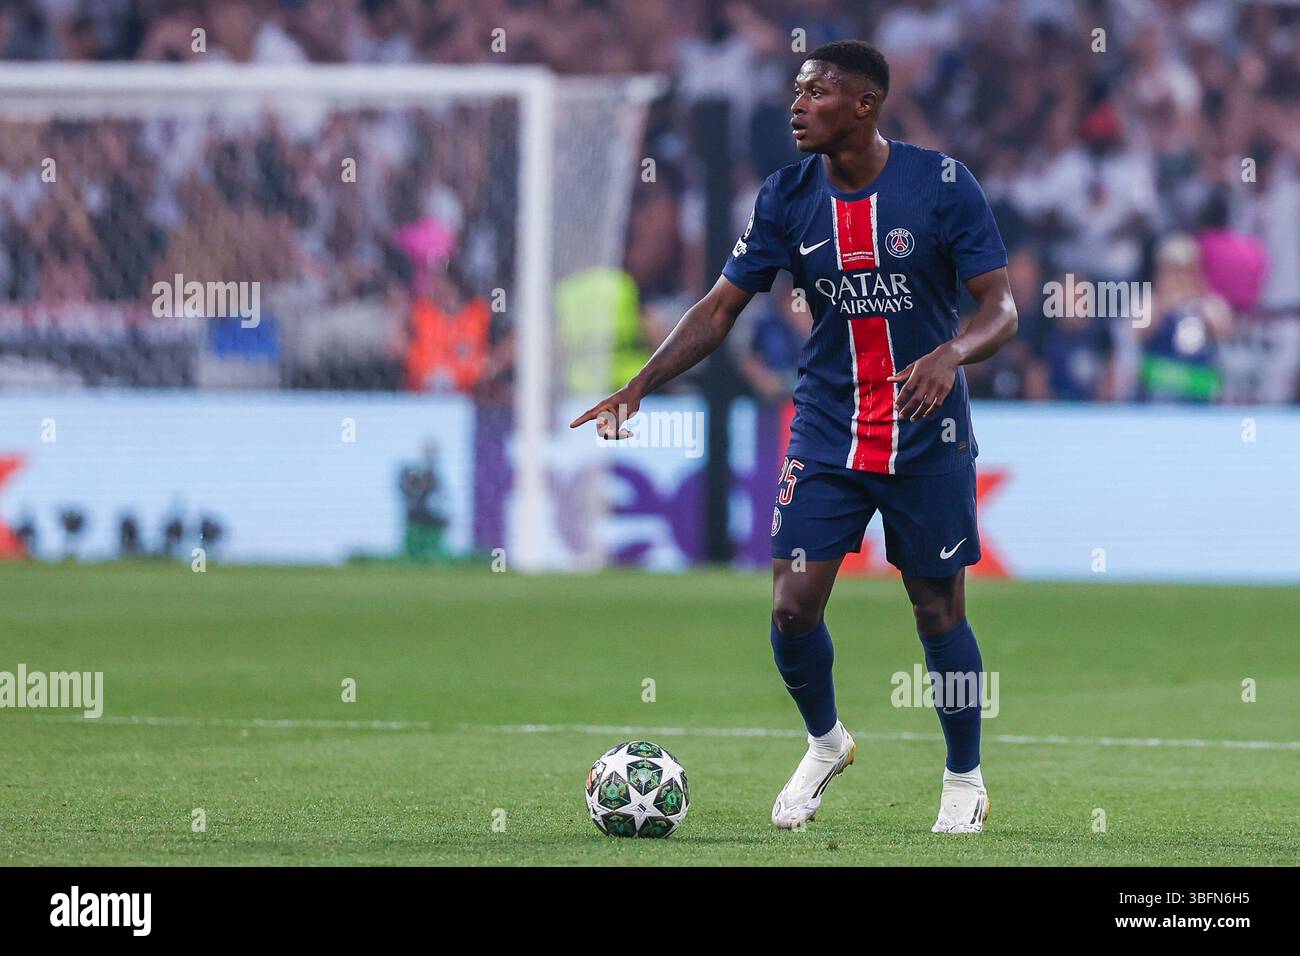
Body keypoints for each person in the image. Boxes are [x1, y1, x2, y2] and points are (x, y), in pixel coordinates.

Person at [571, 40, 1017, 834]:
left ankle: (964, 776)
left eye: (815, 92)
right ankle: (826, 742)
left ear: (864, 105)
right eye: (796, 91)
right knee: (791, 607)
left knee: (936, 609)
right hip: (827, 428)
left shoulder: (942, 186)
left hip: (924, 429)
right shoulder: (785, 196)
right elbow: (718, 309)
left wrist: (950, 353)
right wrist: (639, 384)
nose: (797, 105)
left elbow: (1001, 310)